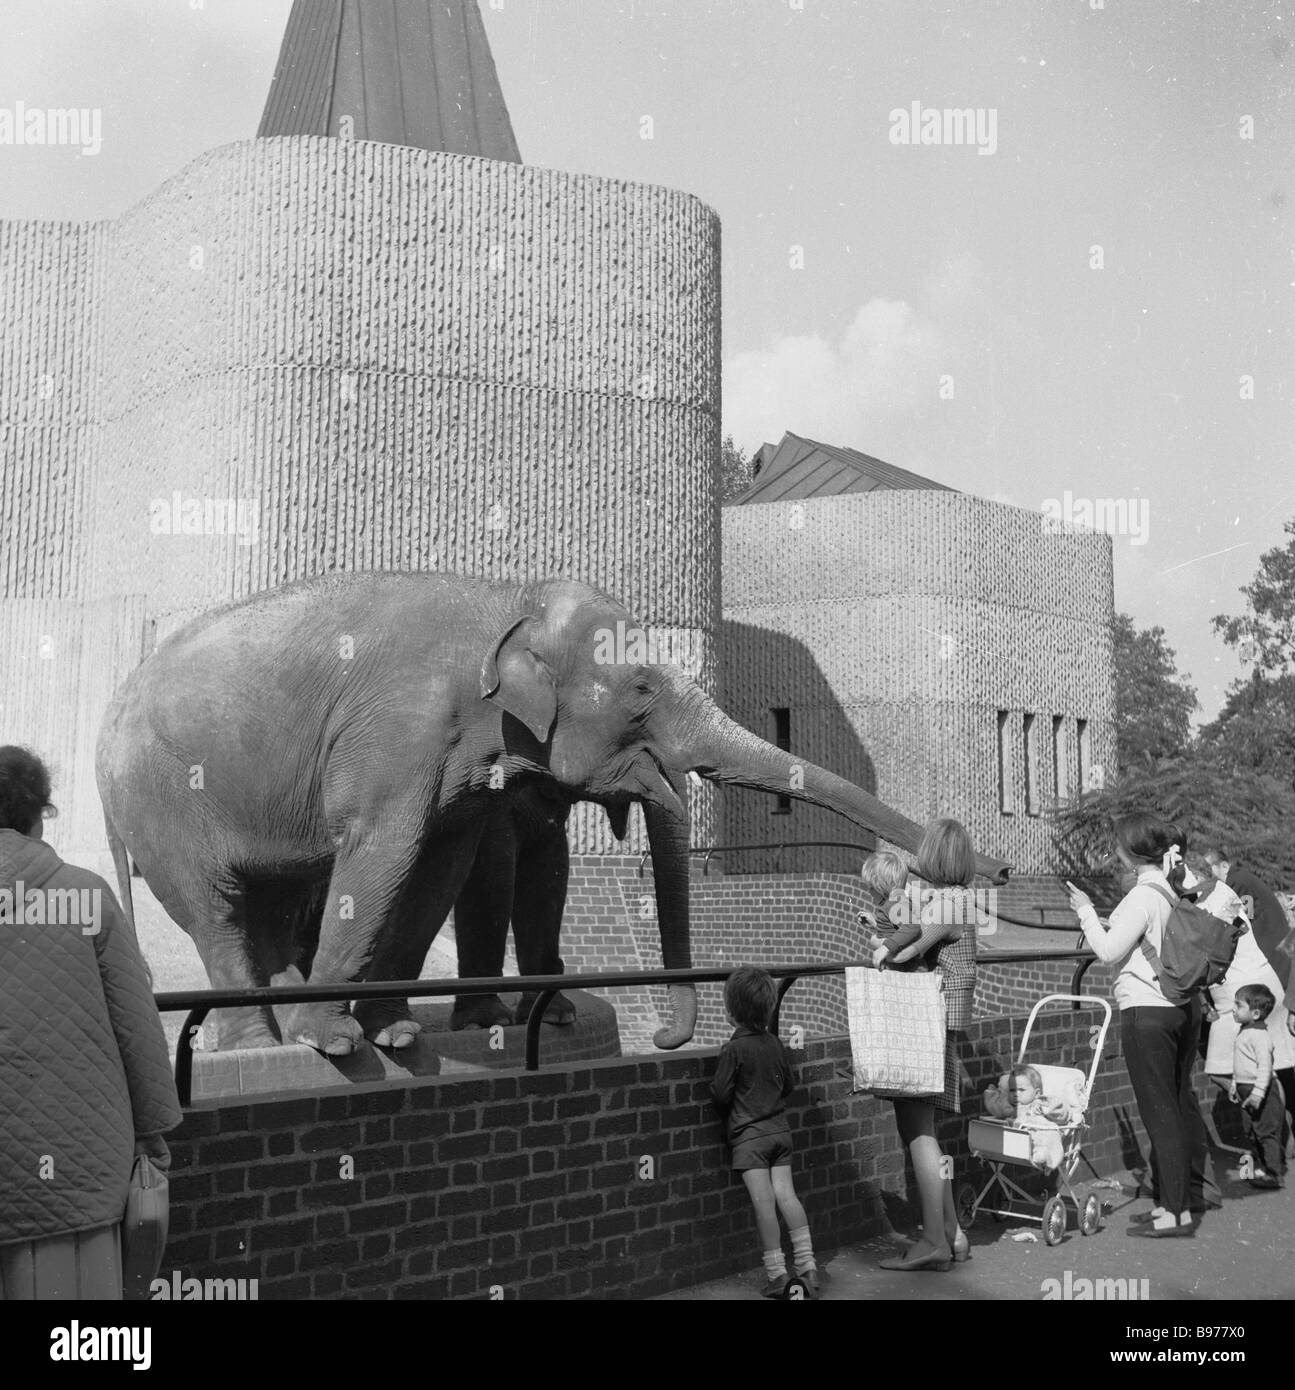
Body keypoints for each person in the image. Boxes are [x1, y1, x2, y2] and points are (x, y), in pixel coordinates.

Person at [0, 746, 181, 1299]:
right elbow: (138, 1028)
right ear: (41, 812)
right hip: (81, 1170)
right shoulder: (85, 895)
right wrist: (154, 1137)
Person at [1067, 814, 1214, 1237]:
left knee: (1160, 1112)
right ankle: (1178, 1204)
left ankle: (1175, 1215)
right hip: (1183, 1008)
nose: (1115, 852)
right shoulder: (1169, 892)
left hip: (1147, 1012)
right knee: (1175, 1105)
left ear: (1132, 854)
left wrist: (1085, 912)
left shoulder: (1141, 896)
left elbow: (1109, 951)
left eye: (1118, 847)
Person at [874, 817, 980, 1272]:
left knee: (917, 1132)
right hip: (943, 1025)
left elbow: (905, 952)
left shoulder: (946, 906)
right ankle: (953, 1235)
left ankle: (934, 1240)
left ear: (934, 856)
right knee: (928, 1135)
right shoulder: (962, 900)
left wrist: (880, 945)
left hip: (927, 1026)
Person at [711, 965, 818, 1299]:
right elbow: (788, 1085)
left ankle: (777, 1274)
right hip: (779, 1132)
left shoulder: (733, 1050)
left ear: (731, 1012)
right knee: (787, 1196)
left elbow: (720, 1093)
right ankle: (808, 1267)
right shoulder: (773, 1043)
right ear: (769, 1007)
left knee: (764, 1204)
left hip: (749, 1139)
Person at [1201, 848, 1295, 1137]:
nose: (1210, 877)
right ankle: (1279, 1133)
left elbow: (1235, 923)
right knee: (1276, 1060)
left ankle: (1271, 1126)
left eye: (1212, 870)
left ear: (1224, 865)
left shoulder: (1237, 883)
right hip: (1273, 976)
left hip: (1254, 982)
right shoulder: (1243, 885)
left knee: (1233, 1066)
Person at [1229, 984, 1287, 1189]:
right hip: (1246, 1089)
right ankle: (1263, 1166)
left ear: (1255, 1013)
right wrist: (1235, 1085)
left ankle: (1273, 1173)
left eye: (1238, 1005)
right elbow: (1241, 1063)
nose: (1232, 1009)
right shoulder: (1245, 1031)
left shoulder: (1260, 1036)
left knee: (1265, 1132)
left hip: (1261, 1092)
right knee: (1251, 1132)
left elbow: (1265, 1067)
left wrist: (1258, 1094)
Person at [981, 1064, 1078, 1172]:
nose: (1016, 1094)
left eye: (1021, 1090)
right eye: (1012, 1090)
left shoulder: (1040, 1103)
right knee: (997, 1127)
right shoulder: (1008, 1105)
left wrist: (1047, 1109)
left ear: (1036, 1093)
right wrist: (992, 1094)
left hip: (1037, 1133)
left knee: (1051, 1133)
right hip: (1013, 1141)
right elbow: (995, 1107)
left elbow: (1062, 1113)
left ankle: (1044, 1154)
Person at [856, 849, 923, 967]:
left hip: (906, 970)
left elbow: (912, 927)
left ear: (881, 886)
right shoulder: (893, 903)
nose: (869, 891)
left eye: (871, 887)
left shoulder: (894, 904)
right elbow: (897, 931)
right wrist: (876, 924)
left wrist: (885, 948)